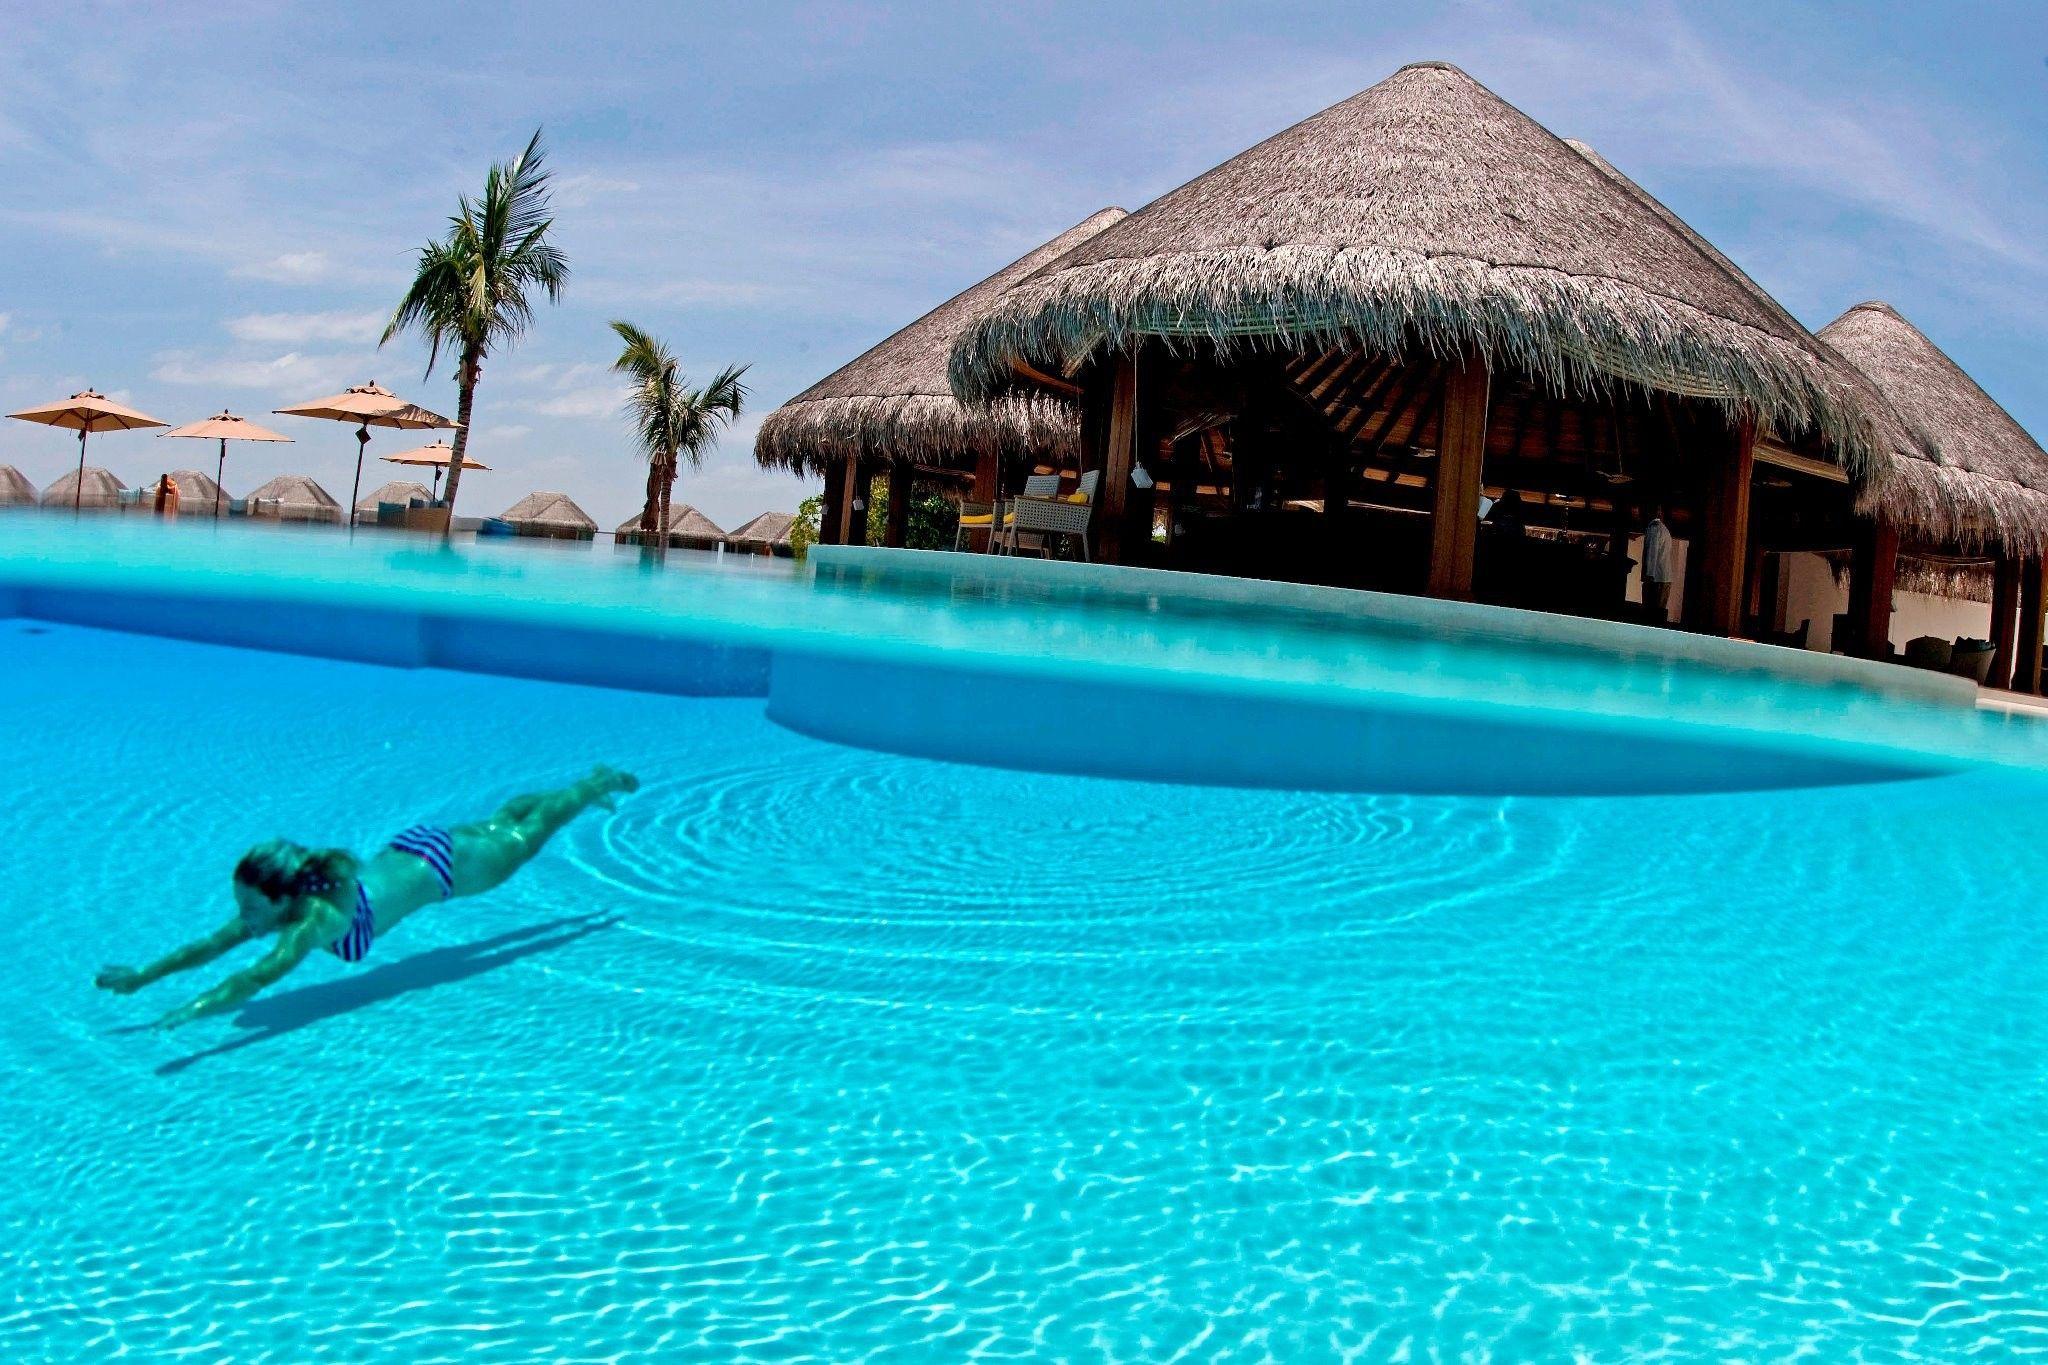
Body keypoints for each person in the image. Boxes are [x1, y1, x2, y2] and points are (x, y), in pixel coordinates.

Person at [96, 766, 639, 1030]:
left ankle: (592, 786)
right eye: (245, 909)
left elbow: (254, 978)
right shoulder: (286, 901)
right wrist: (142, 976)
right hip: (415, 845)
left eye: (252, 909)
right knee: (499, 825)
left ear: (284, 898)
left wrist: (188, 1011)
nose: (244, 921)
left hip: (440, 865)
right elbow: (211, 947)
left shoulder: (312, 921)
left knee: (521, 837)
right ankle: (580, 787)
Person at [1642, 508, 1676, 620]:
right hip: (1664, 578)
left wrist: (1649, 576)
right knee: (1659, 613)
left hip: (1656, 579)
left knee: (1651, 615)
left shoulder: (1654, 528)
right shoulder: (1664, 529)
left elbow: (1652, 553)